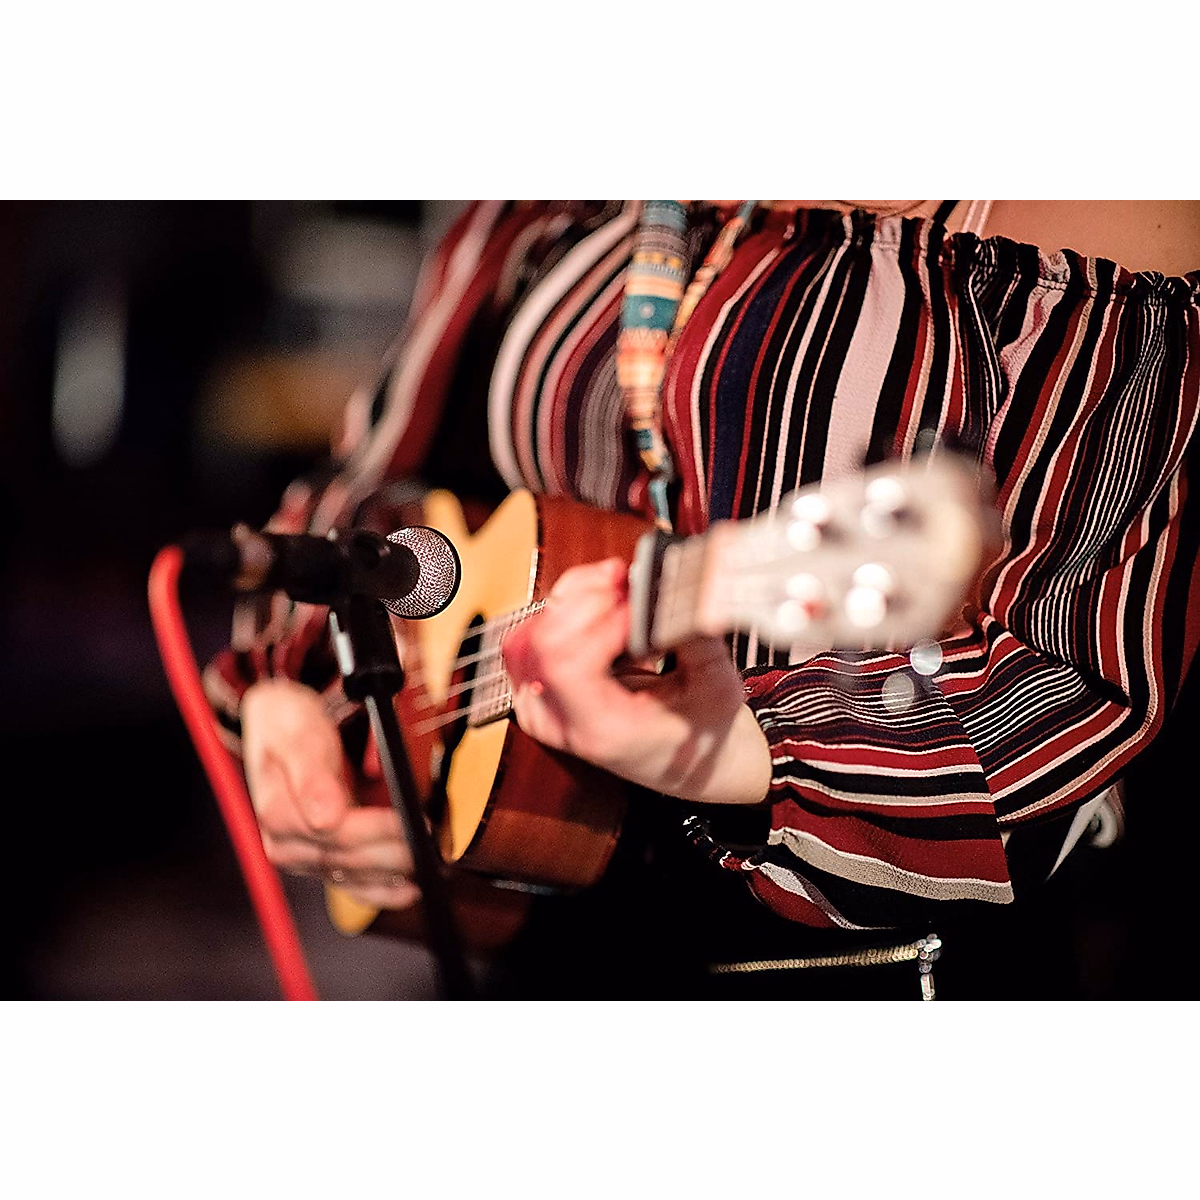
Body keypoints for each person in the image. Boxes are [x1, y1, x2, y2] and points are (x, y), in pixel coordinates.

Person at [207, 200, 1200, 998]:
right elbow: (373, 480)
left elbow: (1076, 672)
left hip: (849, 983)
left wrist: (742, 747)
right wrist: (299, 696)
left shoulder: (1099, 217)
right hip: (529, 945)